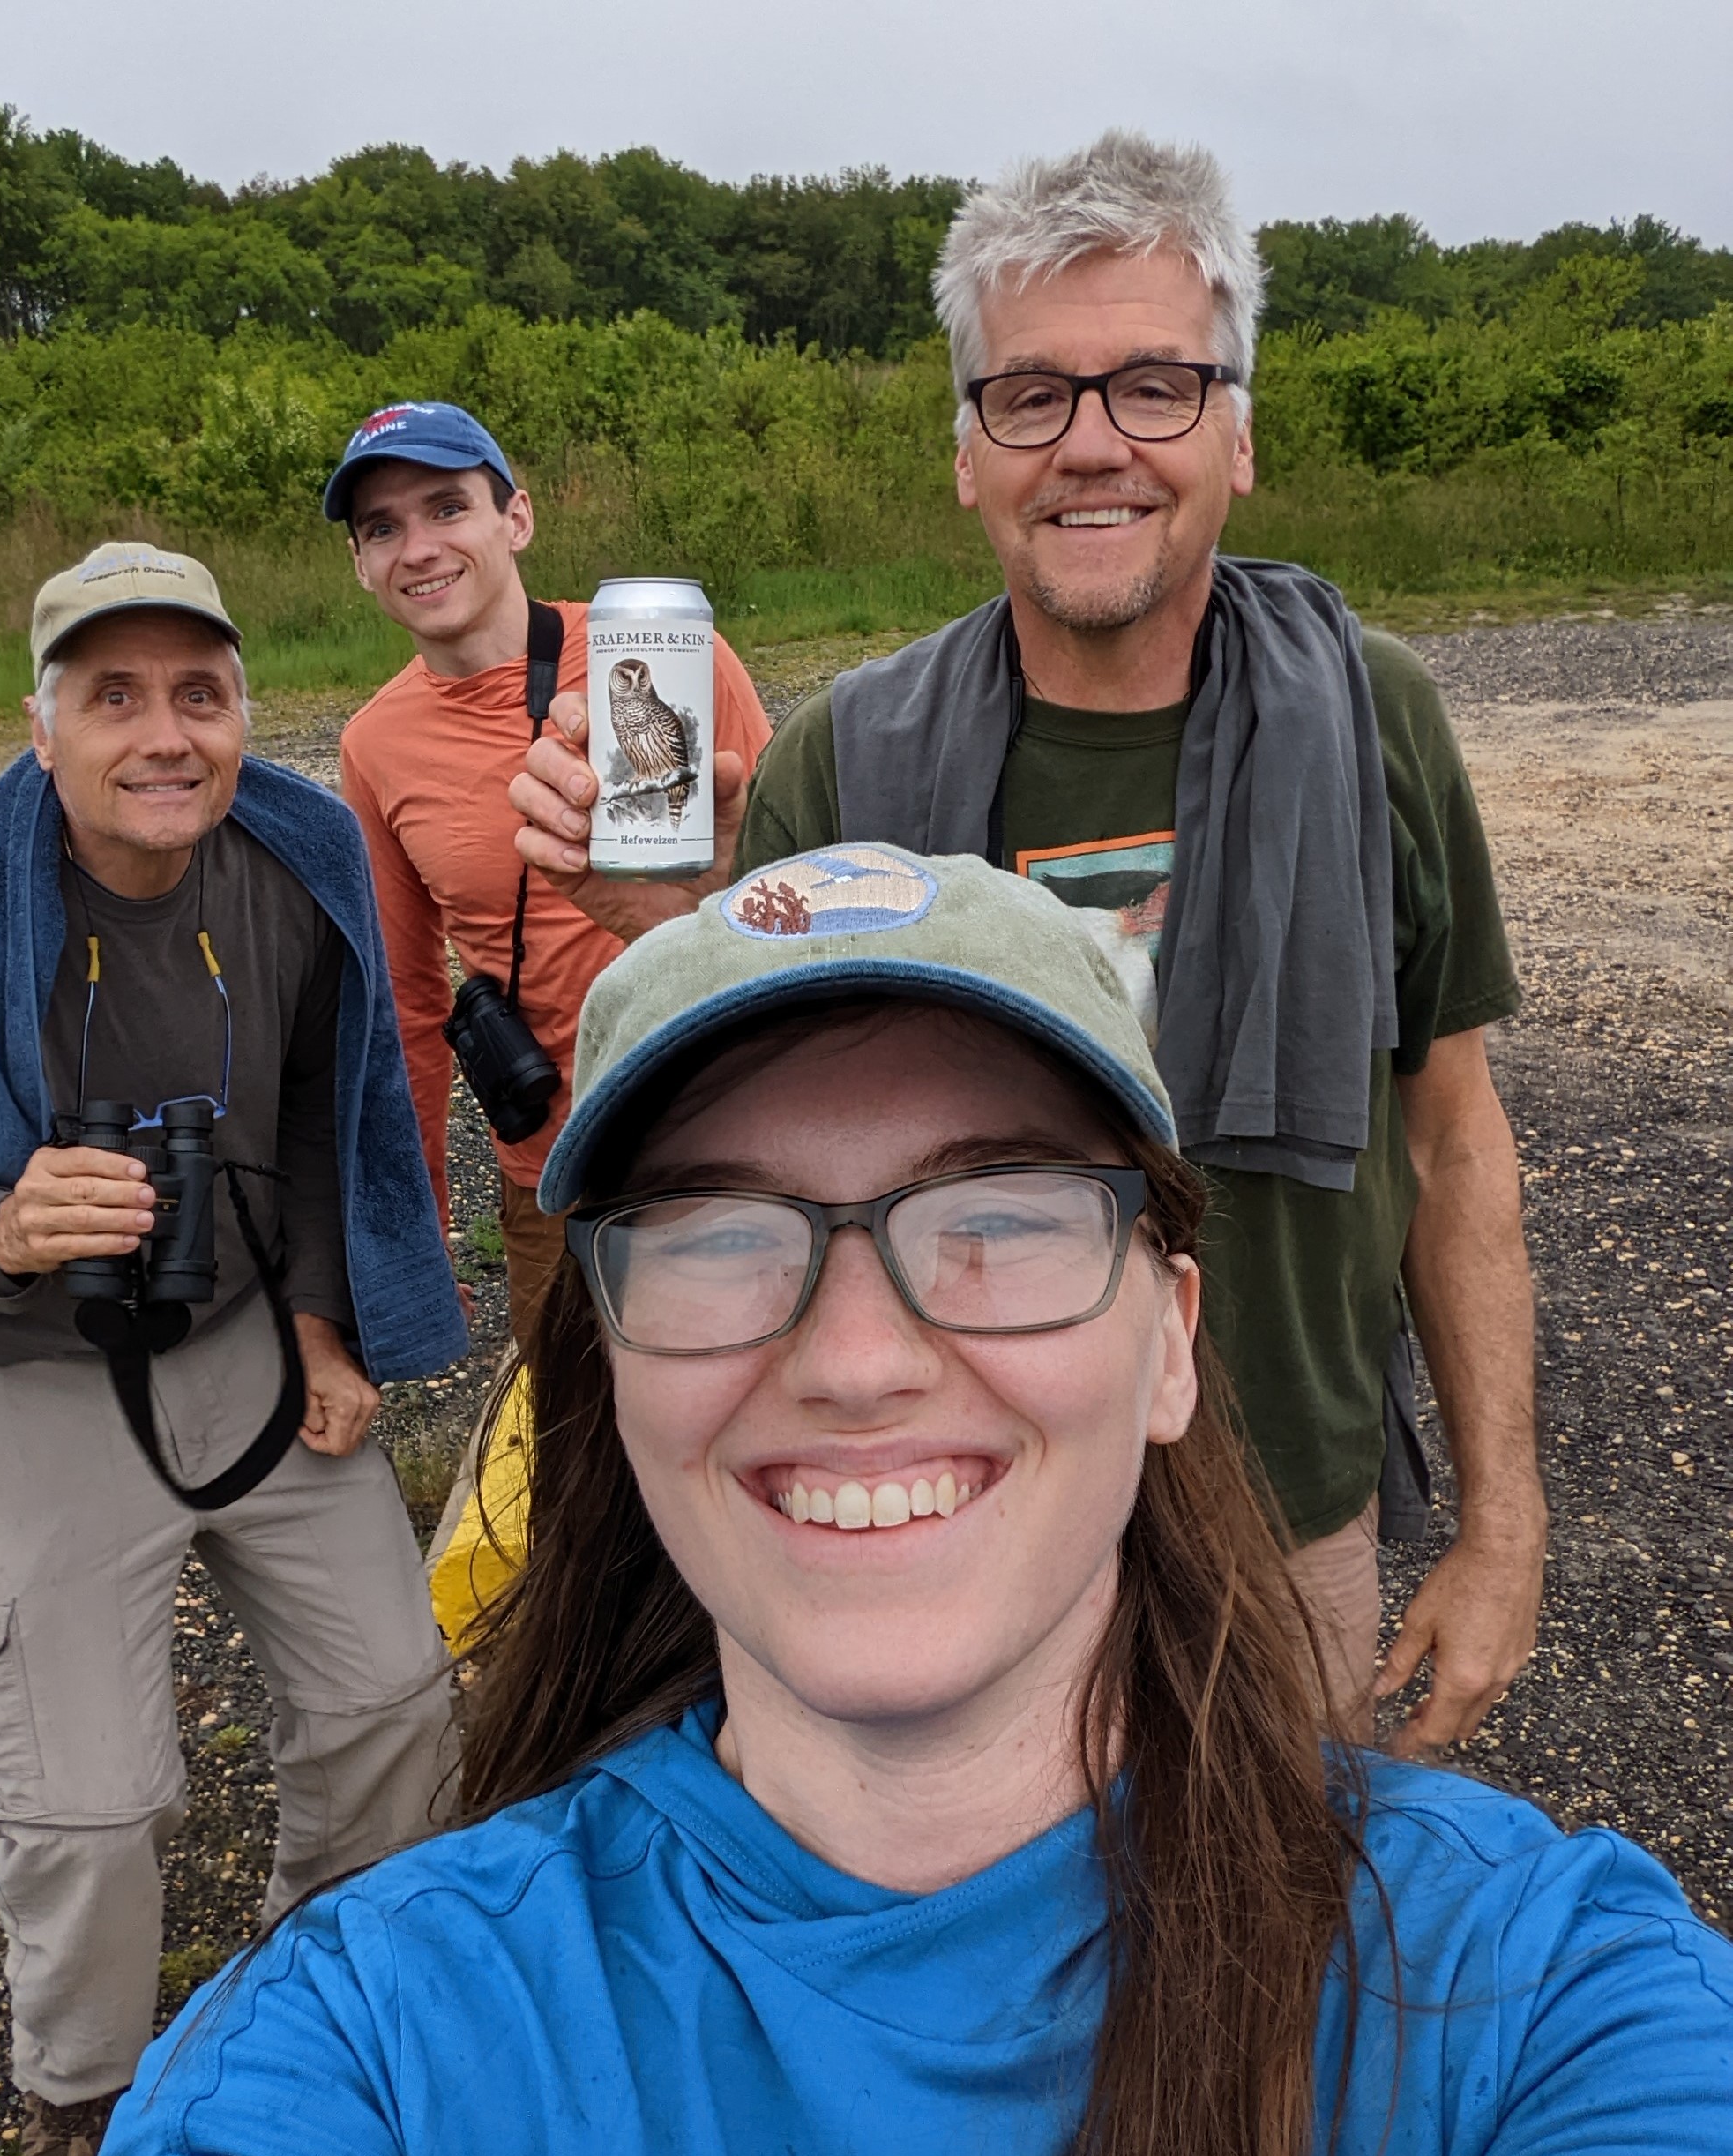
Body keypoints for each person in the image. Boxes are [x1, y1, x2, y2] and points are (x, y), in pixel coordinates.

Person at [83, 842, 1733, 2156]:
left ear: (1166, 1341)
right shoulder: (351, 2062)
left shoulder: (1538, 2004)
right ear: (608, 1360)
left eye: (997, 1217)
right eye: (717, 1233)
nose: (855, 1361)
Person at [512, 133, 1541, 1752]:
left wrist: (1499, 1528)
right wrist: (671, 928)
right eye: (1027, 396)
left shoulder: (1371, 715)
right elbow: (748, 1165)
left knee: (1272, 1962)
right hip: (933, 1517)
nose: (1090, 445)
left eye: (1154, 386)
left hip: (1285, 1513)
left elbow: (1453, 1138)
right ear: (965, 455)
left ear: (1236, 439)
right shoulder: (837, 759)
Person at [0, 541, 467, 2156]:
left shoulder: (296, 864)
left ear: (240, 713)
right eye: (113, 695)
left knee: (389, 1700)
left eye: (198, 695)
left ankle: (319, 1976)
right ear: (41, 722)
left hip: (241, 1345)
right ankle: (82, 2089)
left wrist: (319, 1313)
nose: (164, 735)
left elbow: (328, 1110)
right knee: (84, 1807)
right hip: (27, 1376)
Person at [326, 401, 773, 1351]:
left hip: (724, 1129)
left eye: (447, 508)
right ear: (361, 565)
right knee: (572, 1448)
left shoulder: (672, 654)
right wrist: (423, 1230)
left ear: (515, 519)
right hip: (549, 1164)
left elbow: (801, 875)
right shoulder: (374, 747)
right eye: (381, 528)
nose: (417, 547)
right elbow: (405, 1004)